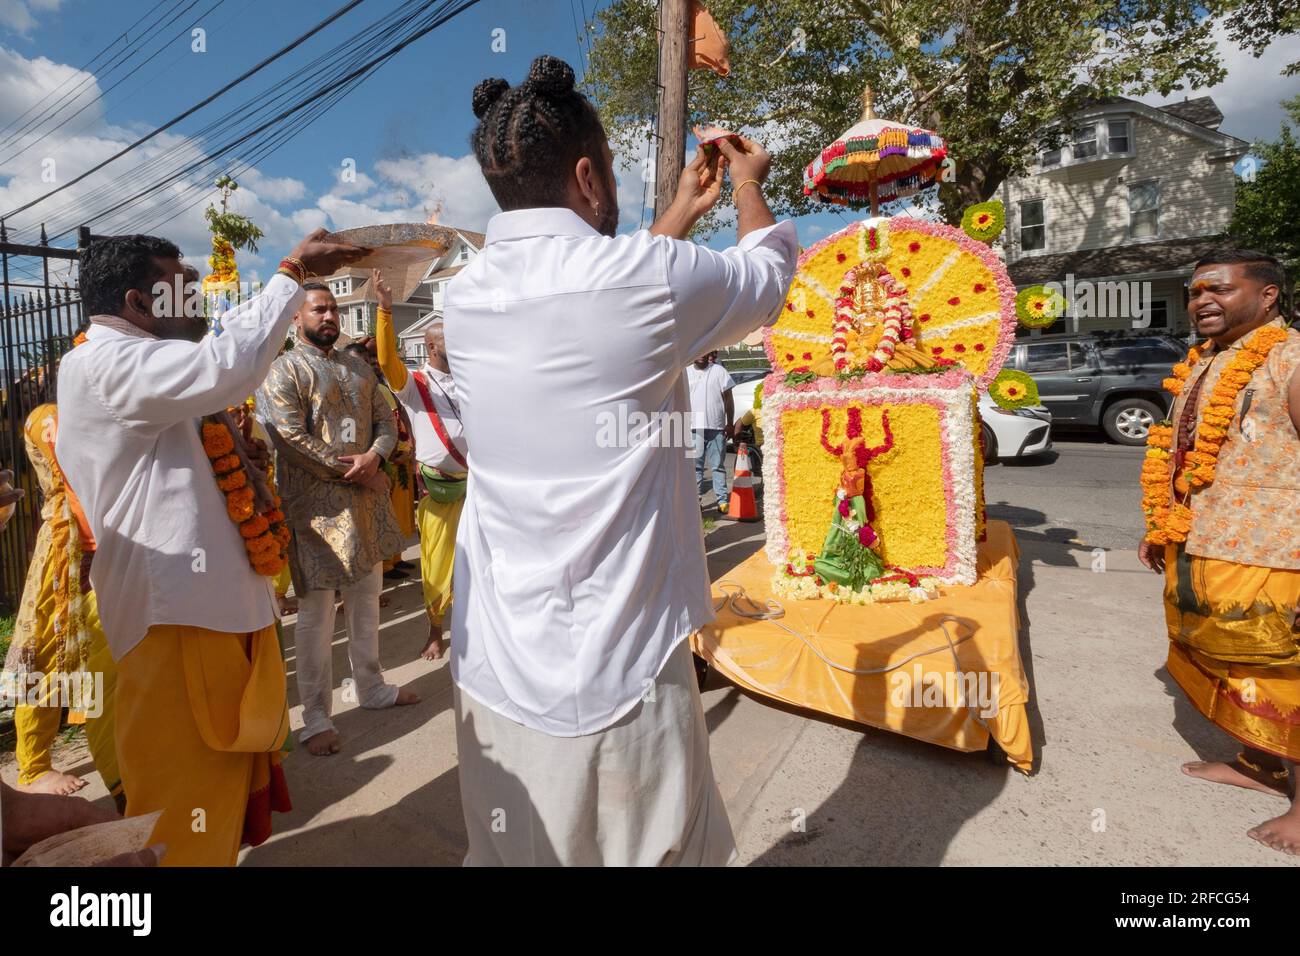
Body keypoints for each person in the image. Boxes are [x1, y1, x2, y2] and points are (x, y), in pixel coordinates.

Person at [445, 55, 796, 866]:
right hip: (624, 666)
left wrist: (674, 212)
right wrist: (747, 185)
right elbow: (769, 275)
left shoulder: (464, 298)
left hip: (500, 662)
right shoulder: (645, 278)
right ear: (587, 176)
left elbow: (606, 303)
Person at [55, 230, 365, 865]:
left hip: (215, 616)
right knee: (181, 817)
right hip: (177, 622)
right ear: (141, 303)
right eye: (187, 290)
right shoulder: (102, 363)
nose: (202, 301)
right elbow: (226, 366)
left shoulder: (147, 367)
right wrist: (292, 270)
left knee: (217, 803)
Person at [1137, 250, 1300, 856]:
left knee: (1281, 670)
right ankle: (1261, 764)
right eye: (1195, 291)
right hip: (1202, 539)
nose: (1202, 300)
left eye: (1220, 289)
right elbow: (1183, 457)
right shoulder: (1207, 361)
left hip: (1276, 550)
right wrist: (1161, 527)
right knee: (1228, 661)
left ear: (1267, 297)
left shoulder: (1290, 356)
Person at [259, 282, 420, 758]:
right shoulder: (283, 371)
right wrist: (356, 469)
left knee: (368, 599)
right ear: (296, 318)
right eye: (319, 309)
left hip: (364, 508)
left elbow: (387, 422)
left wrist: (375, 455)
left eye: (333, 308)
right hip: (316, 515)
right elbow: (288, 437)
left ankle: (370, 687)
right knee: (316, 617)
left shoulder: (356, 367)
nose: (328, 316)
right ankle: (315, 717)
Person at [2, 403, 121, 806]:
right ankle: (33, 767)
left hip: (99, 546)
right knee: (42, 652)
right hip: (62, 548)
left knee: (88, 656)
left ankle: (108, 753)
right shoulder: (48, 415)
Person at [372, 270, 468, 662]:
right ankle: (434, 632)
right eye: (448, 337)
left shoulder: (472, 378)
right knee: (437, 566)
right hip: (440, 489)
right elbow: (385, 359)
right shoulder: (413, 382)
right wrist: (384, 310)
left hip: (480, 488)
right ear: (430, 345)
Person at [344, 338, 418, 584]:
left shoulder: (381, 389)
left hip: (395, 460)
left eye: (371, 361)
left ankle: (394, 560)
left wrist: (410, 445)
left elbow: (399, 415)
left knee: (397, 514)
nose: (371, 366)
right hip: (368, 469)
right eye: (366, 361)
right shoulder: (342, 394)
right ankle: (383, 567)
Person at [687, 350, 735, 513]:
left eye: (704, 351)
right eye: (697, 351)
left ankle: (722, 501)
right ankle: (695, 501)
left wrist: (730, 423)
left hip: (716, 427)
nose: (700, 354)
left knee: (718, 466)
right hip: (693, 428)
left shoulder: (719, 371)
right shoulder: (684, 373)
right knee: (694, 467)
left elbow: (729, 398)